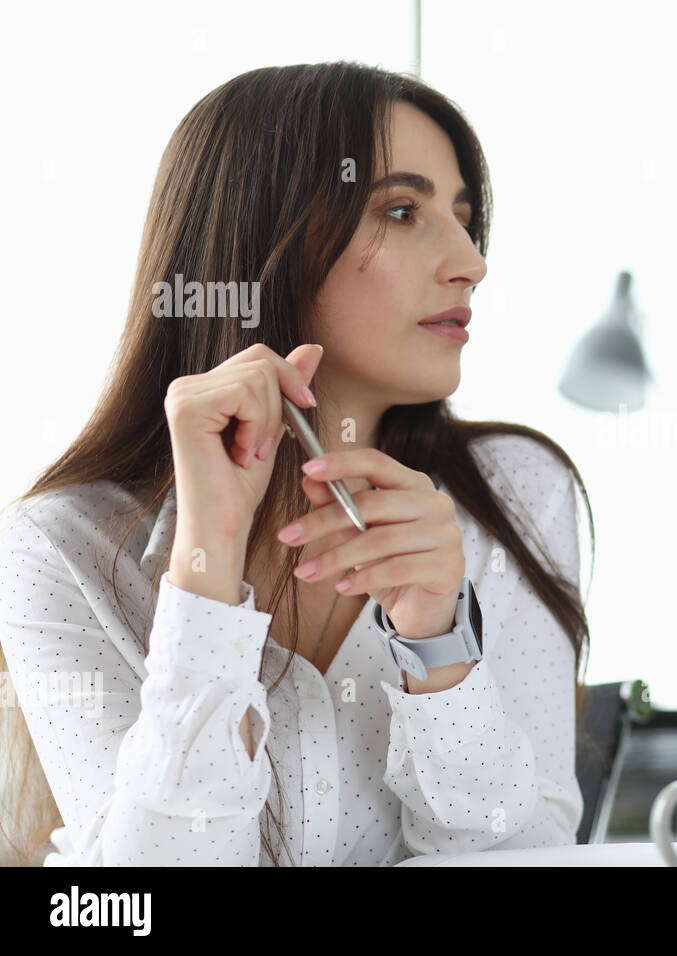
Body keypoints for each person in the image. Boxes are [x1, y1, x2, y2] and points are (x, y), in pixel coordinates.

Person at [0, 62, 594, 866]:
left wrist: (439, 646)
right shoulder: (59, 543)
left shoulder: (516, 494)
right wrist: (205, 570)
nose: (470, 262)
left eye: (463, 217)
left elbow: (529, 855)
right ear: (262, 240)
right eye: (401, 209)